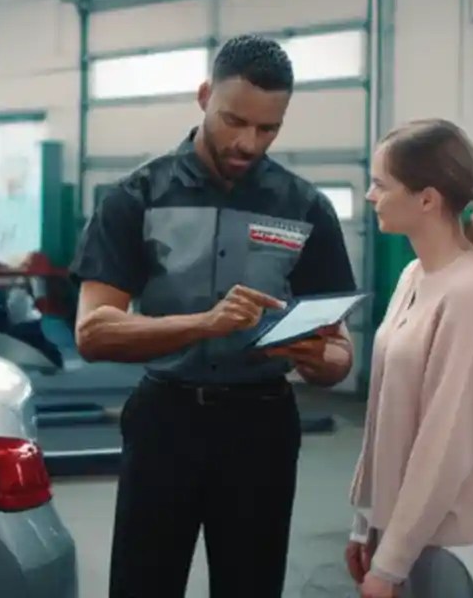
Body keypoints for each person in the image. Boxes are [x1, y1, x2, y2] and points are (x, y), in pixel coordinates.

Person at [70, 35, 358, 597]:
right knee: (143, 586)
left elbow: (340, 354)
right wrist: (205, 323)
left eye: (268, 128)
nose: (248, 142)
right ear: (205, 96)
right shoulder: (136, 198)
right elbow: (93, 331)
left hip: (262, 428)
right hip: (165, 422)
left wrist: (318, 358)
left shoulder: (306, 208)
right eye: (234, 121)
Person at [346, 118, 473, 598]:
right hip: (403, 530)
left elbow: (446, 443)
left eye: (381, 185)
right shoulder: (413, 276)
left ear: (427, 199)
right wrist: (366, 521)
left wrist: (389, 565)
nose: (370, 196)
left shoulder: (472, 294)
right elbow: (385, 415)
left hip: (452, 541)